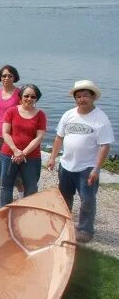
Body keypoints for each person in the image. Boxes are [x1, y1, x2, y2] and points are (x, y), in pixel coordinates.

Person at [48, 80, 114, 243]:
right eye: (78, 96)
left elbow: (104, 146)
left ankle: (85, 229)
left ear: (93, 97)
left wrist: (96, 169)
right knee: (64, 196)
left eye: (85, 95)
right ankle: (64, 220)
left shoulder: (100, 118)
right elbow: (59, 137)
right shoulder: (68, 114)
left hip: (87, 168)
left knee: (87, 199)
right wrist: (52, 158)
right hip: (66, 165)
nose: (82, 99)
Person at [0, 83, 46, 206]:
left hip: (31, 157)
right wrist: (15, 150)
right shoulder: (11, 111)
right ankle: (4, 212)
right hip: (9, 154)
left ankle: (27, 212)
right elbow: (5, 133)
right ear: (21, 96)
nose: (29, 99)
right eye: (26, 96)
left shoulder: (41, 115)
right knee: (5, 186)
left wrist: (23, 153)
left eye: (33, 96)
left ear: (37, 98)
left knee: (31, 188)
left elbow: (39, 137)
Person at [0, 65, 22, 208]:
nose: (6, 78)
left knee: (15, 168)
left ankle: (22, 197)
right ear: (0, 78)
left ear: (14, 77)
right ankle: (1, 197)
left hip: (13, 136)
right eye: (4, 75)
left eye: (10, 75)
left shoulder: (20, 93)